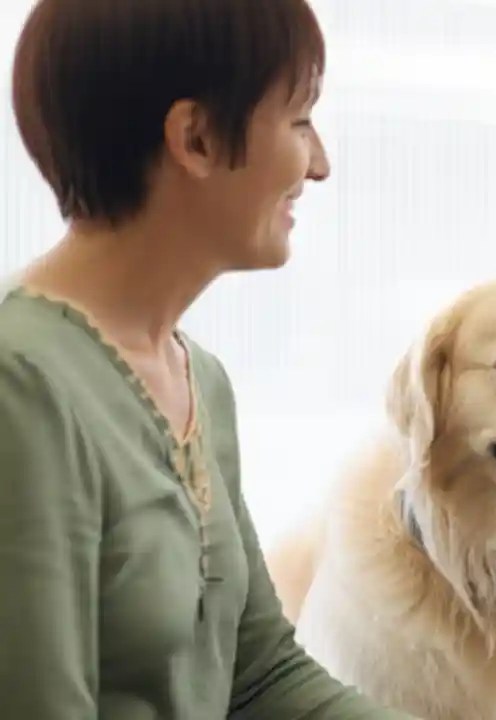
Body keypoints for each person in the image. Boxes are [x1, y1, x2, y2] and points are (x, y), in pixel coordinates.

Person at [0, 1, 414, 717]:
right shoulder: (22, 384)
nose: (319, 164)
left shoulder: (201, 380)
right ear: (194, 138)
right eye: (300, 120)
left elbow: (256, 677)